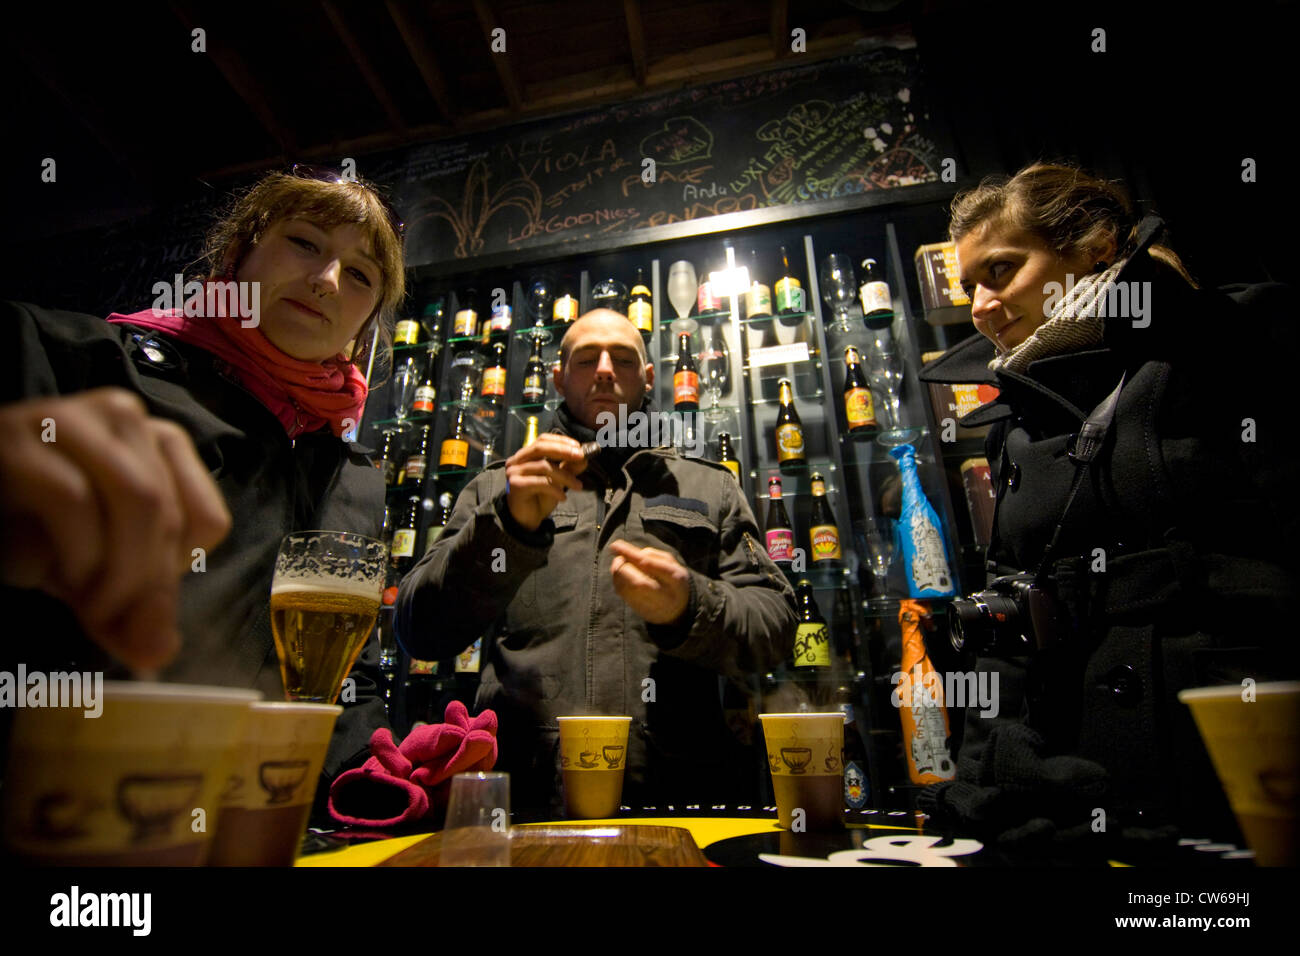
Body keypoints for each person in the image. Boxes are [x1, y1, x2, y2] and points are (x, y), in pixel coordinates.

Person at [917, 162, 1299, 851]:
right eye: (968, 284)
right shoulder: (1015, 424)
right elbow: (1008, 617)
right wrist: (988, 767)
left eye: (1000, 271)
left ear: (1093, 247)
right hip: (1084, 783)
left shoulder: (1222, 343)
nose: (977, 305)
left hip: (1241, 766)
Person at [0, 168, 405, 804]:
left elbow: (342, 679)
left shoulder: (352, 478)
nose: (327, 281)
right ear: (237, 253)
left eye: (360, 275)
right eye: (305, 243)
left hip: (264, 821)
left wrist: (368, 771)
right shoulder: (80, 360)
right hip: (69, 816)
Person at [395, 309, 797, 811]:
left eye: (623, 359)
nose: (605, 369)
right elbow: (420, 630)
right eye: (587, 359)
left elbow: (777, 627)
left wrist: (692, 607)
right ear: (559, 378)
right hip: (523, 800)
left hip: (679, 800)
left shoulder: (710, 486)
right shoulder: (500, 486)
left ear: (648, 378)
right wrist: (507, 527)